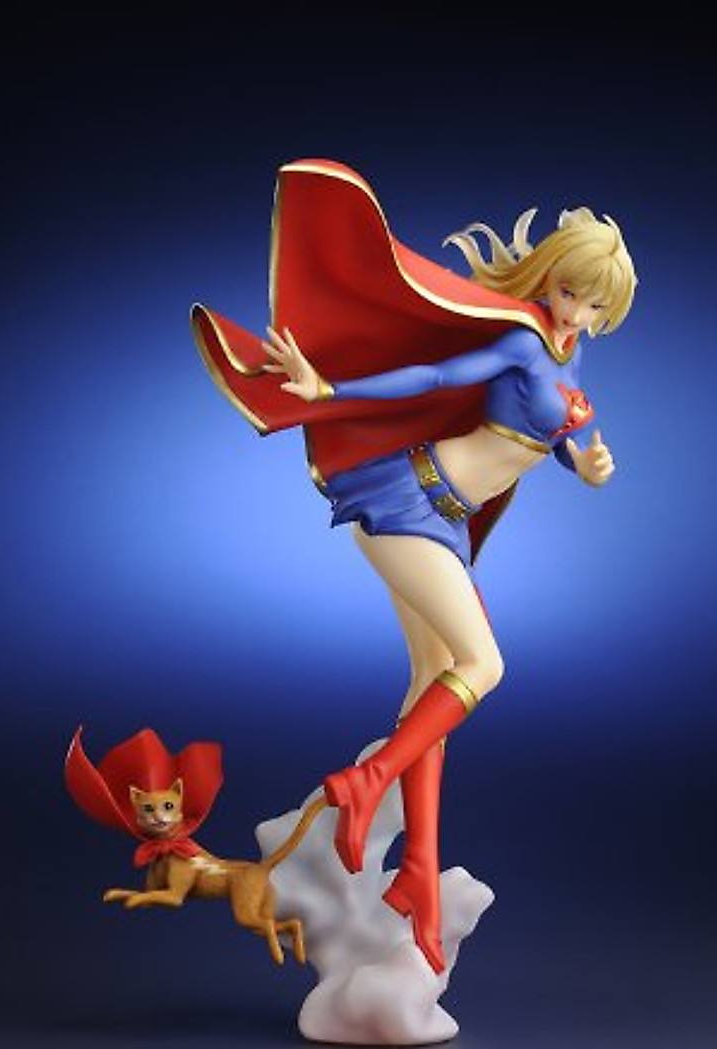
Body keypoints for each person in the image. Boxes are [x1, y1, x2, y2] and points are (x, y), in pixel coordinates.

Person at [192, 159, 637, 972]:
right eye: (571, 292)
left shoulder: (567, 356)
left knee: (433, 681)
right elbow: (434, 376)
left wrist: (590, 465)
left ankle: (419, 874)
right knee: (484, 665)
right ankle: (366, 784)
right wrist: (328, 391)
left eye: (595, 304)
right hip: (410, 501)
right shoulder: (521, 339)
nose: (577, 310)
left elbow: (559, 438)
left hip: (448, 523)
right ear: (551, 278)